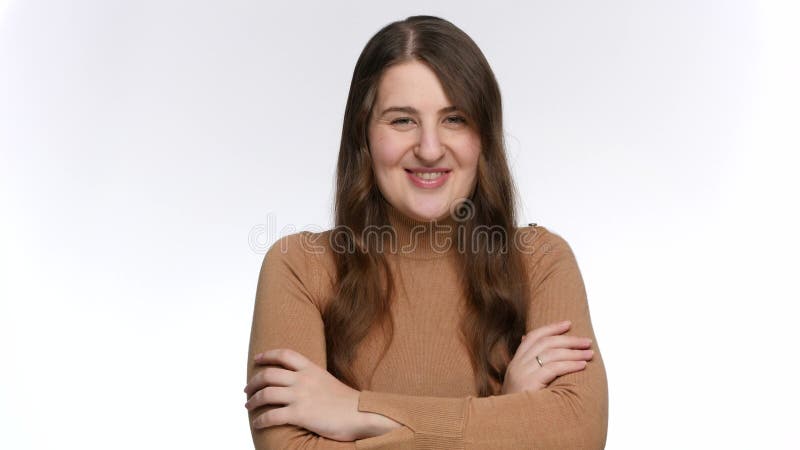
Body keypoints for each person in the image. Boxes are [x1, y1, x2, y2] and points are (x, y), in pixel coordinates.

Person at [243, 15, 608, 449]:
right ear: (364, 135)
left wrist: (359, 410)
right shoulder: (301, 267)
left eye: (454, 119)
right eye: (402, 121)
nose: (430, 149)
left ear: (483, 137)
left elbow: (578, 434)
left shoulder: (541, 261)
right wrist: (507, 417)